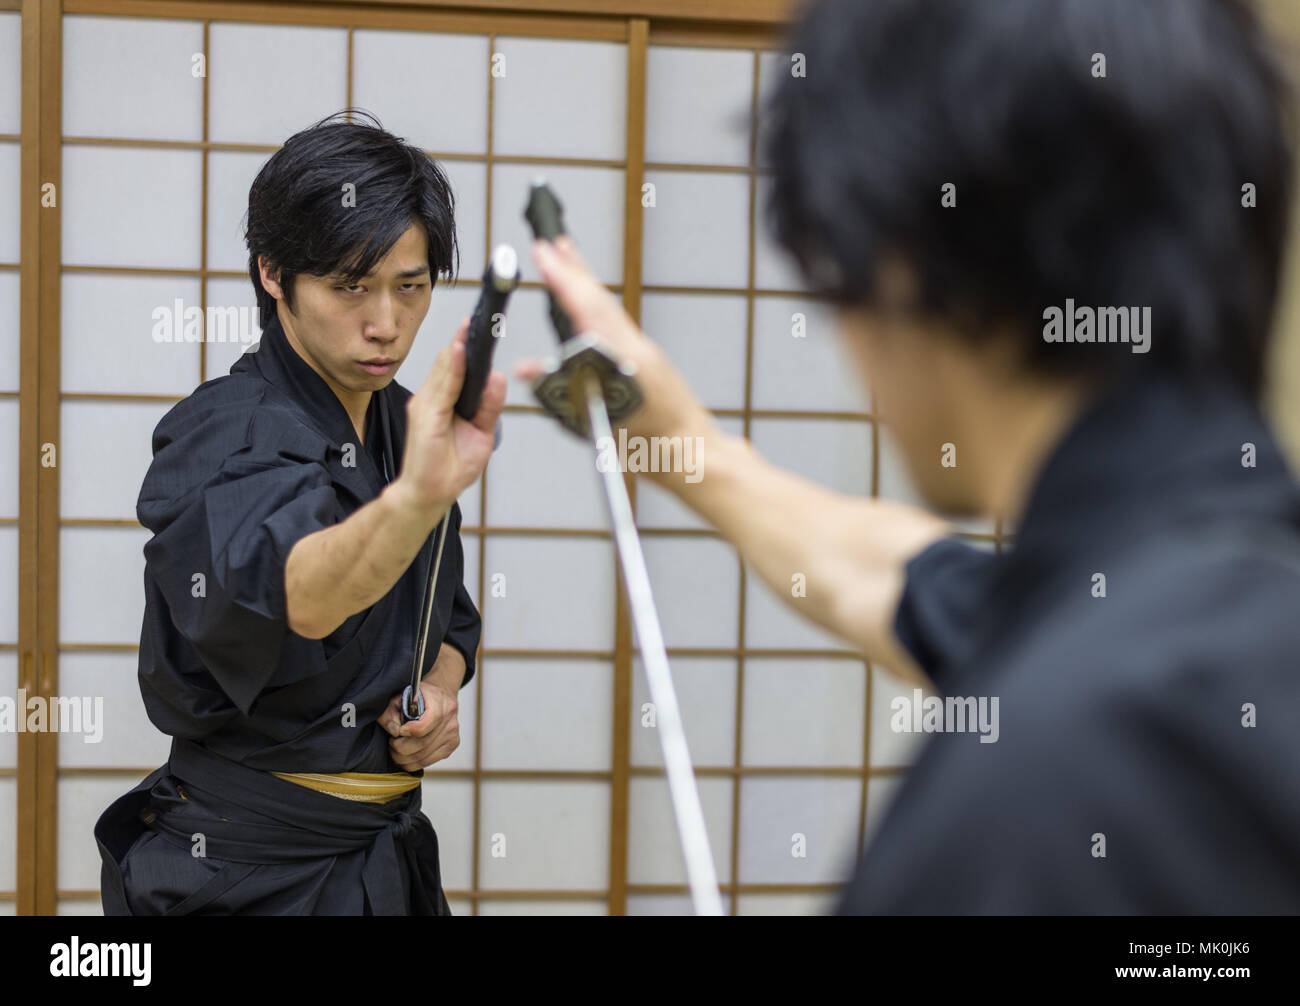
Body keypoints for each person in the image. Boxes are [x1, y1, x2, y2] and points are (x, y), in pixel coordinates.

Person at [517, 0, 1300, 912]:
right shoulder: (1196, 595)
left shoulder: (1044, 797)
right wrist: (689, 450)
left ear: (898, 263)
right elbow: (902, 583)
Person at [94, 111, 506, 915]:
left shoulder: (402, 423)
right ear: (274, 274)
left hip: (383, 858)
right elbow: (302, 594)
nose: (385, 322)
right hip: (248, 875)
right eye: (350, 285)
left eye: (410, 286)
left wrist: (441, 692)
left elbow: (446, 622)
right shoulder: (226, 433)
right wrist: (419, 496)